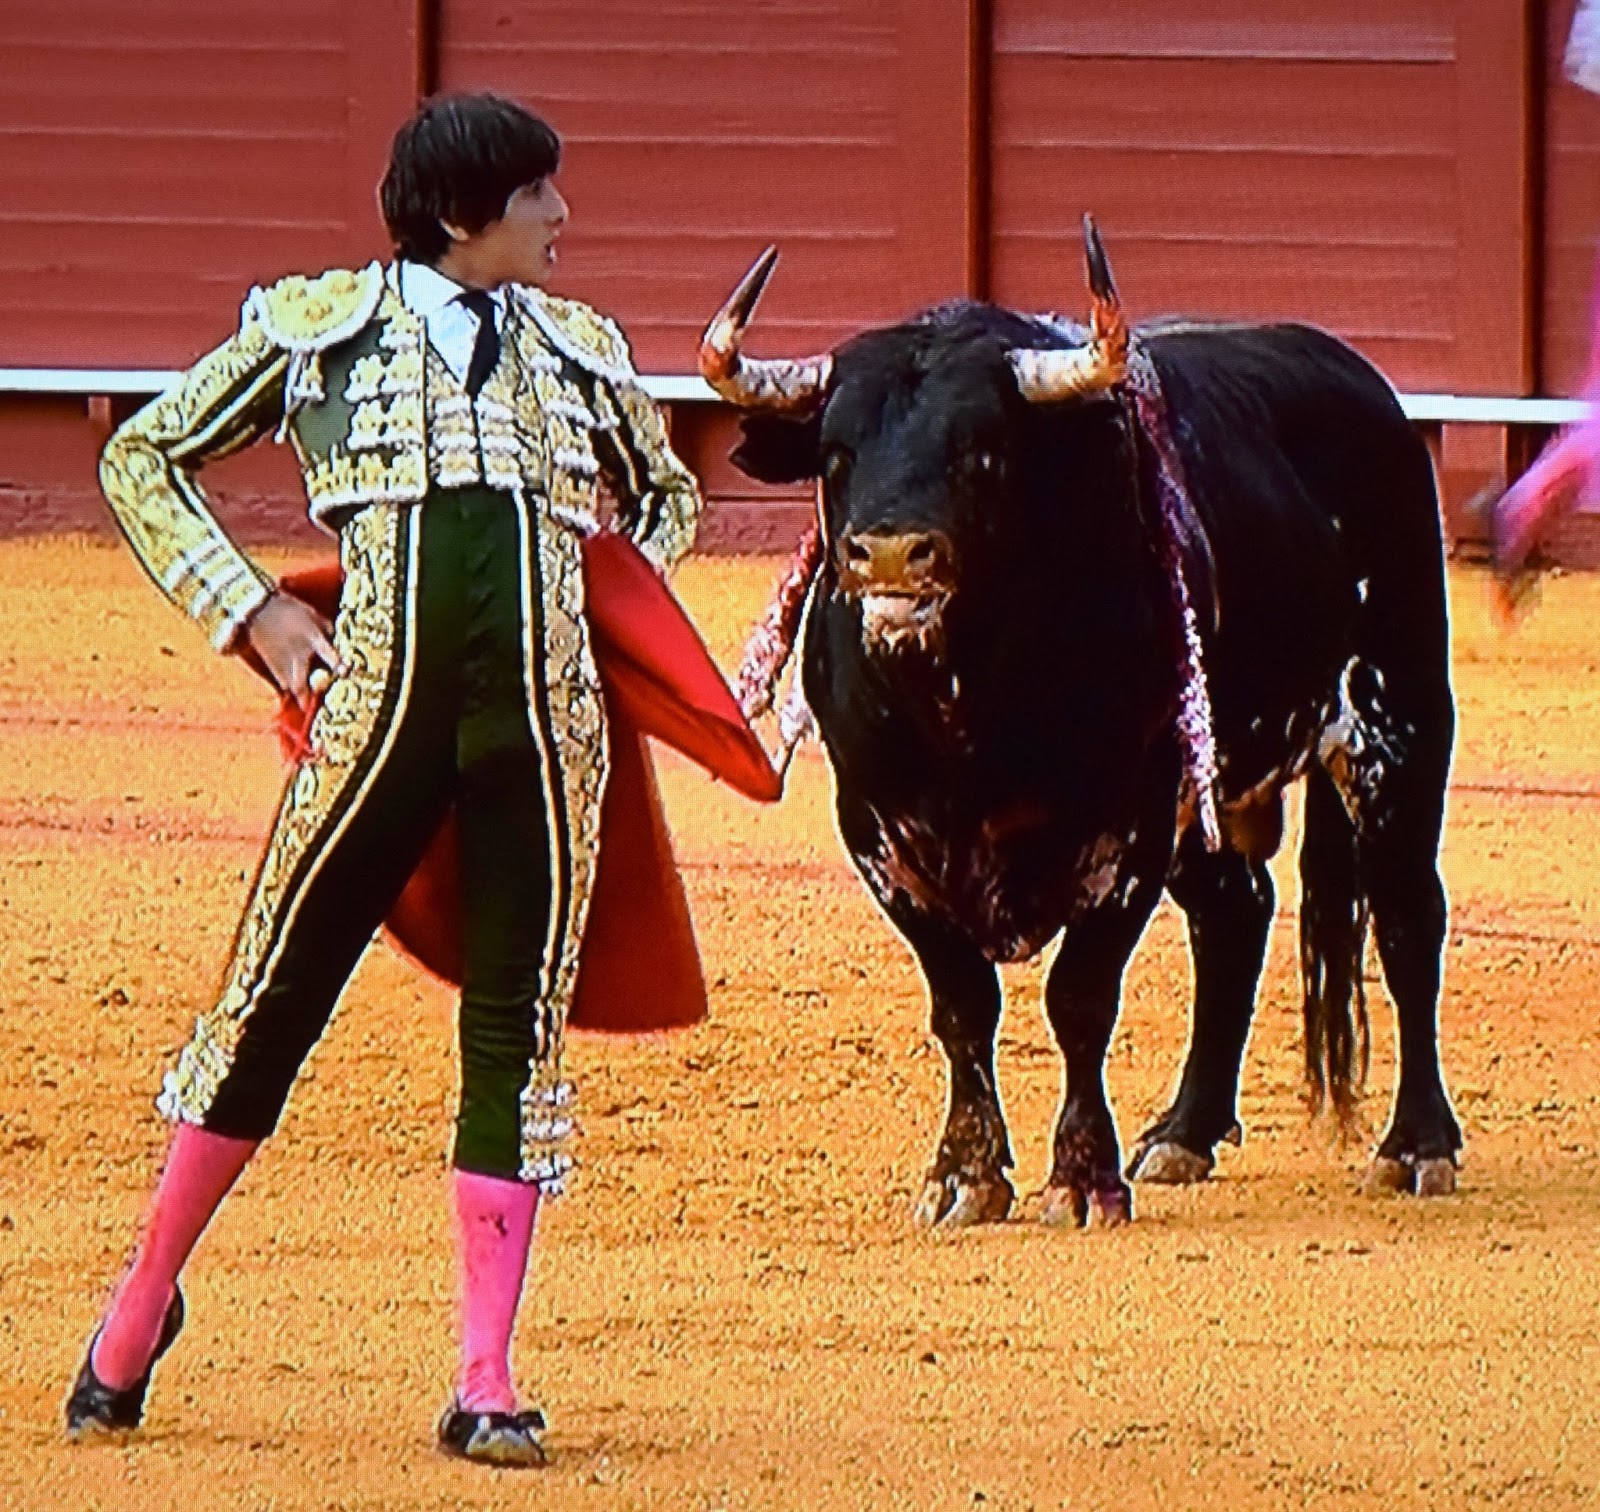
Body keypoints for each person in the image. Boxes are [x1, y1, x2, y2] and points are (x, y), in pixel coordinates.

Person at [66, 92, 710, 1468]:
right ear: (464, 214)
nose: (561, 217)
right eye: (537, 196)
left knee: (515, 1034)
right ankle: (140, 1300)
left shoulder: (579, 352)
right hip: (369, 730)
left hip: (545, 744)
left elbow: (666, 498)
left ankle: (487, 1374)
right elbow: (141, 455)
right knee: (269, 1005)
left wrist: (605, 605)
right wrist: (251, 610)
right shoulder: (324, 332)